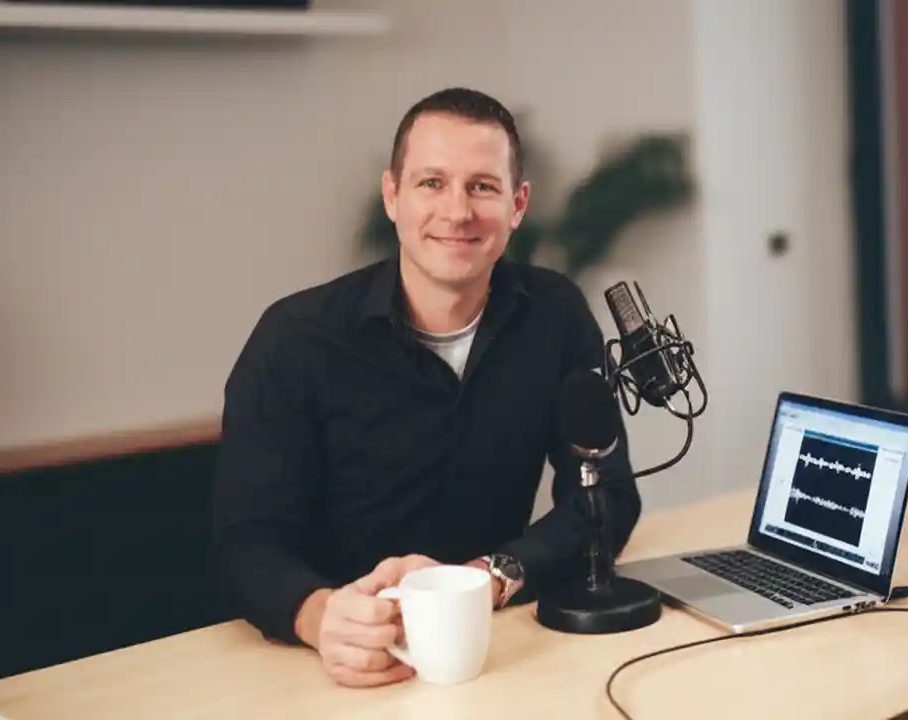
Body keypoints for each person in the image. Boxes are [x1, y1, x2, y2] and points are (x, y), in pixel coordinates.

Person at [212, 87, 640, 688]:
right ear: (393, 195)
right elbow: (244, 542)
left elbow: (604, 497)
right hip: (328, 664)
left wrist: (488, 578)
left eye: (482, 187)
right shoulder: (293, 338)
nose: (457, 212)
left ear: (518, 204)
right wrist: (319, 617)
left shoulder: (557, 314)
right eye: (432, 183)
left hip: (493, 653)